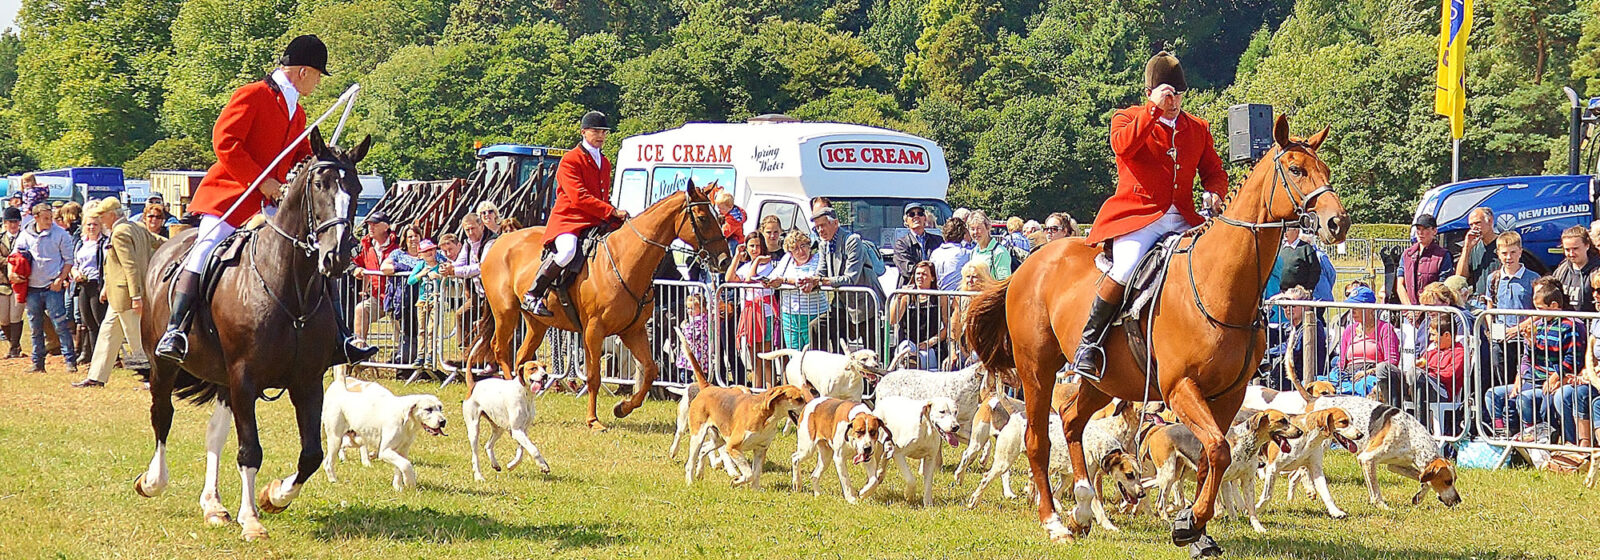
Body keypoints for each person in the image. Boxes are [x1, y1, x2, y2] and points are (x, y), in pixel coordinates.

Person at [152, 34, 372, 363]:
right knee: (203, 251)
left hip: (272, 208)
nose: (315, 82)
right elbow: (225, 143)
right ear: (302, 72)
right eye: (316, 75)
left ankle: (341, 336)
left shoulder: (297, 112)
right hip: (231, 199)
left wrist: (321, 159)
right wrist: (264, 183)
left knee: (314, 260)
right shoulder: (252, 95)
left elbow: (297, 155)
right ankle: (177, 330)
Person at [1073, 51, 1228, 379]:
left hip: (1185, 217)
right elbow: (1123, 147)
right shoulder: (1127, 118)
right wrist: (1153, 111)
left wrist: (1215, 191)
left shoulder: (1197, 128)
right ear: (1150, 93)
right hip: (1141, 217)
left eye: (1179, 95)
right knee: (1126, 267)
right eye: (1168, 95)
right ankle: (1089, 344)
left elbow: (1214, 170)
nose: (1174, 102)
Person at [522, 111, 626, 317]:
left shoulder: (604, 162)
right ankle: (533, 294)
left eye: (604, 132)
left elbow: (602, 196)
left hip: (596, 219)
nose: (601, 136)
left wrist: (614, 215)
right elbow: (578, 196)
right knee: (568, 251)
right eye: (596, 131)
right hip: (570, 219)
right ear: (583, 132)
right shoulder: (570, 160)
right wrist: (611, 211)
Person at [73, 198, 162, 388]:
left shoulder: (120, 233)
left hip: (127, 297)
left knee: (136, 338)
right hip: (119, 296)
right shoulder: (136, 226)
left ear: (112, 215)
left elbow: (130, 267)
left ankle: (150, 378)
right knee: (107, 334)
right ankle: (96, 377)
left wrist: (136, 296)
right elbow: (158, 242)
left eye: (102, 216)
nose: (101, 221)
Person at [1488, 277, 1585, 439]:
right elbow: (1529, 357)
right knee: (1493, 394)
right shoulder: (1539, 324)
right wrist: (1531, 342)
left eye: (1540, 309)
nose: (1536, 313)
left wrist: (1556, 376)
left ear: (1554, 306)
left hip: (1550, 381)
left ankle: (1535, 438)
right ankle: (1503, 435)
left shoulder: (1571, 325)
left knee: (1525, 399)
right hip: (1532, 379)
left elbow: (1573, 357)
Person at [806, 208, 885, 353]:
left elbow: (851, 278)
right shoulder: (824, 244)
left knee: (872, 353)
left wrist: (821, 281)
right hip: (842, 304)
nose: (820, 230)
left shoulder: (852, 240)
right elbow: (821, 272)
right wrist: (811, 280)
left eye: (823, 225)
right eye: (817, 227)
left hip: (865, 304)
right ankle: (819, 370)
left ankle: (877, 375)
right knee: (817, 326)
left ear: (835, 223)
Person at [12, 203, 78, 373]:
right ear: (36, 218)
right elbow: (16, 257)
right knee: (35, 327)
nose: (50, 221)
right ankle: (37, 363)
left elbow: (69, 260)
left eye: (50, 218)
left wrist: (60, 279)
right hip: (32, 287)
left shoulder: (61, 234)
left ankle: (70, 361)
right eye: (46, 218)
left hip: (52, 286)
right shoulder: (25, 236)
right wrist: (14, 274)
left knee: (61, 324)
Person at [1325, 286, 1399, 397]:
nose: (1352, 311)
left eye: (1357, 307)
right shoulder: (1349, 330)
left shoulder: (1385, 328)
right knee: (1319, 383)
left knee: (1365, 385)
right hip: (1348, 373)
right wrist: (1339, 373)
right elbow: (1341, 362)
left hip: (1371, 373)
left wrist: (1368, 372)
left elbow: (1391, 362)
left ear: (1370, 308)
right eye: (1351, 307)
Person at [726, 235, 777, 388]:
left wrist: (757, 261)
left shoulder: (769, 266)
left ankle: (769, 390)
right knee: (754, 359)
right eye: (751, 246)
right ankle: (756, 391)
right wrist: (736, 257)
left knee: (766, 358)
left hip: (765, 313)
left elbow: (749, 279)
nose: (755, 250)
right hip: (750, 313)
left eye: (758, 246)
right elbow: (729, 278)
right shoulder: (746, 266)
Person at [763, 230, 826, 350]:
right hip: (789, 316)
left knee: (813, 356)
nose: (801, 251)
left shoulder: (818, 259)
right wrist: (772, 282)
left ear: (809, 245)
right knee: (794, 355)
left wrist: (785, 280)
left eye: (803, 246)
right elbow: (773, 276)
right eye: (795, 249)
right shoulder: (787, 260)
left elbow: (807, 279)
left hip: (813, 315)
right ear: (790, 251)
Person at [352, 212, 399, 349]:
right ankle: (359, 349)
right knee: (361, 309)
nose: (371, 228)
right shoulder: (366, 245)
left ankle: (401, 355)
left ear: (386, 227)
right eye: (369, 225)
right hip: (377, 296)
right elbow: (353, 261)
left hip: (397, 296)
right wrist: (355, 269)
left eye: (375, 224)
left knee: (399, 326)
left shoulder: (398, 245)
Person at [889, 261, 945, 369]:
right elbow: (893, 320)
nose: (920, 277)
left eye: (924, 274)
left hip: (931, 345)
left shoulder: (941, 297)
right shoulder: (907, 297)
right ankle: (911, 363)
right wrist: (899, 297)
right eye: (918, 274)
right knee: (905, 348)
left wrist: (930, 342)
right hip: (910, 343)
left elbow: (948, 327)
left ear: (932, 277)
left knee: (924, 358)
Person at [70, 205, 106, 368]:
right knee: (88, 322)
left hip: (97, 285)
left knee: (100, 322)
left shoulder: (104, 243)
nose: (91, 227)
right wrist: (75, 272)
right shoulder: (81, 243)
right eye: (89, 224)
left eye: (95, 224)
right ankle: (92, 357)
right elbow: (74, 262)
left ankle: (103, 358)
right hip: (83, 285)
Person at [1397, 214, 1452, 306]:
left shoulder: (1443, 255)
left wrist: (1423, 308)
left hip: (1432, 311)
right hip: (1409, 313)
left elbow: (1442, 287)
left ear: (1434, 231)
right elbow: (1400, 285)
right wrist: (1410, 309)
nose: (1420, 232)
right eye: (1418, 229)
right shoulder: (1407, 254)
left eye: (1425, 229)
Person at [406, 238, 445, 368]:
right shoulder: (420, 265)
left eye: (431, 250)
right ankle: (420, 355)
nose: (429, 253)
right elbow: (410, 280)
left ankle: (430, 355)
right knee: (421, 329)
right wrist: (421, 274)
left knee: (432, 329)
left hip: (436, 300)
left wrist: (439, 277)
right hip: (422, 300)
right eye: (426, 251)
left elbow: (448, 281)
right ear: (421, 254)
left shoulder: (441, 265)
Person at [891, 202, 942, 288]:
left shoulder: (938, 241)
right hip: (910, 292)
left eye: (920, 213)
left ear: (925, 218)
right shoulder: (901, 244)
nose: (916, 216)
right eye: (911, 214)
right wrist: (926, 275)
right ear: (906, 221)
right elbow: (907, 269)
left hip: (934, 291)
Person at [1551, 225, 1599, 312]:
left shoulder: (1597, 271)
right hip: (1565, 324)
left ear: (1587, 245)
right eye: (1567, 250)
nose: (1571, 253)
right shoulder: (1561, 270)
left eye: (1575, 249)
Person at [1455, 207, 1499, 291]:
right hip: (1479, 301)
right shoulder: (1474, 247)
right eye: (1471, 225)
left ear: (1490, 221)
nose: (1474, 227)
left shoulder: (1503, 244)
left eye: (1477, 223)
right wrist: (1466, 248)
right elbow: (1460, 278)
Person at [0, 208, 23, 358]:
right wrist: (12, 261)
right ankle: (13, 343)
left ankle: (14, 348)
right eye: (9, 222)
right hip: (2, 281)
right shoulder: (0, 238)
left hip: (19, 281)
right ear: (5, 223)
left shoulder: (25, 238)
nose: (12, 224)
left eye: (15, 221)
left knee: (16, 316)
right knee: (3, 318)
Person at [968, 210, 1013, 281]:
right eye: (972, 229)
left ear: (988, 228)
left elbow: (1004, 283)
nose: (975, 232)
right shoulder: (974, 252)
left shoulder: (1000, 252)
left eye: (979, 228)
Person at [1276, 226, 1323, 294]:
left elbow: (1315, 270)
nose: (1285, 232)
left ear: (1296, 231)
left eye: (1288, 230)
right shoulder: (1280, 248)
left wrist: (1308, 289)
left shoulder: (1306, 248)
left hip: (1298, 295)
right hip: (1280, 292)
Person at [929, 218, 971, 291]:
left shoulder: (935, 253)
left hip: (938, 296)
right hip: (956, 297)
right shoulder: (965, 253)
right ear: (963, 234)